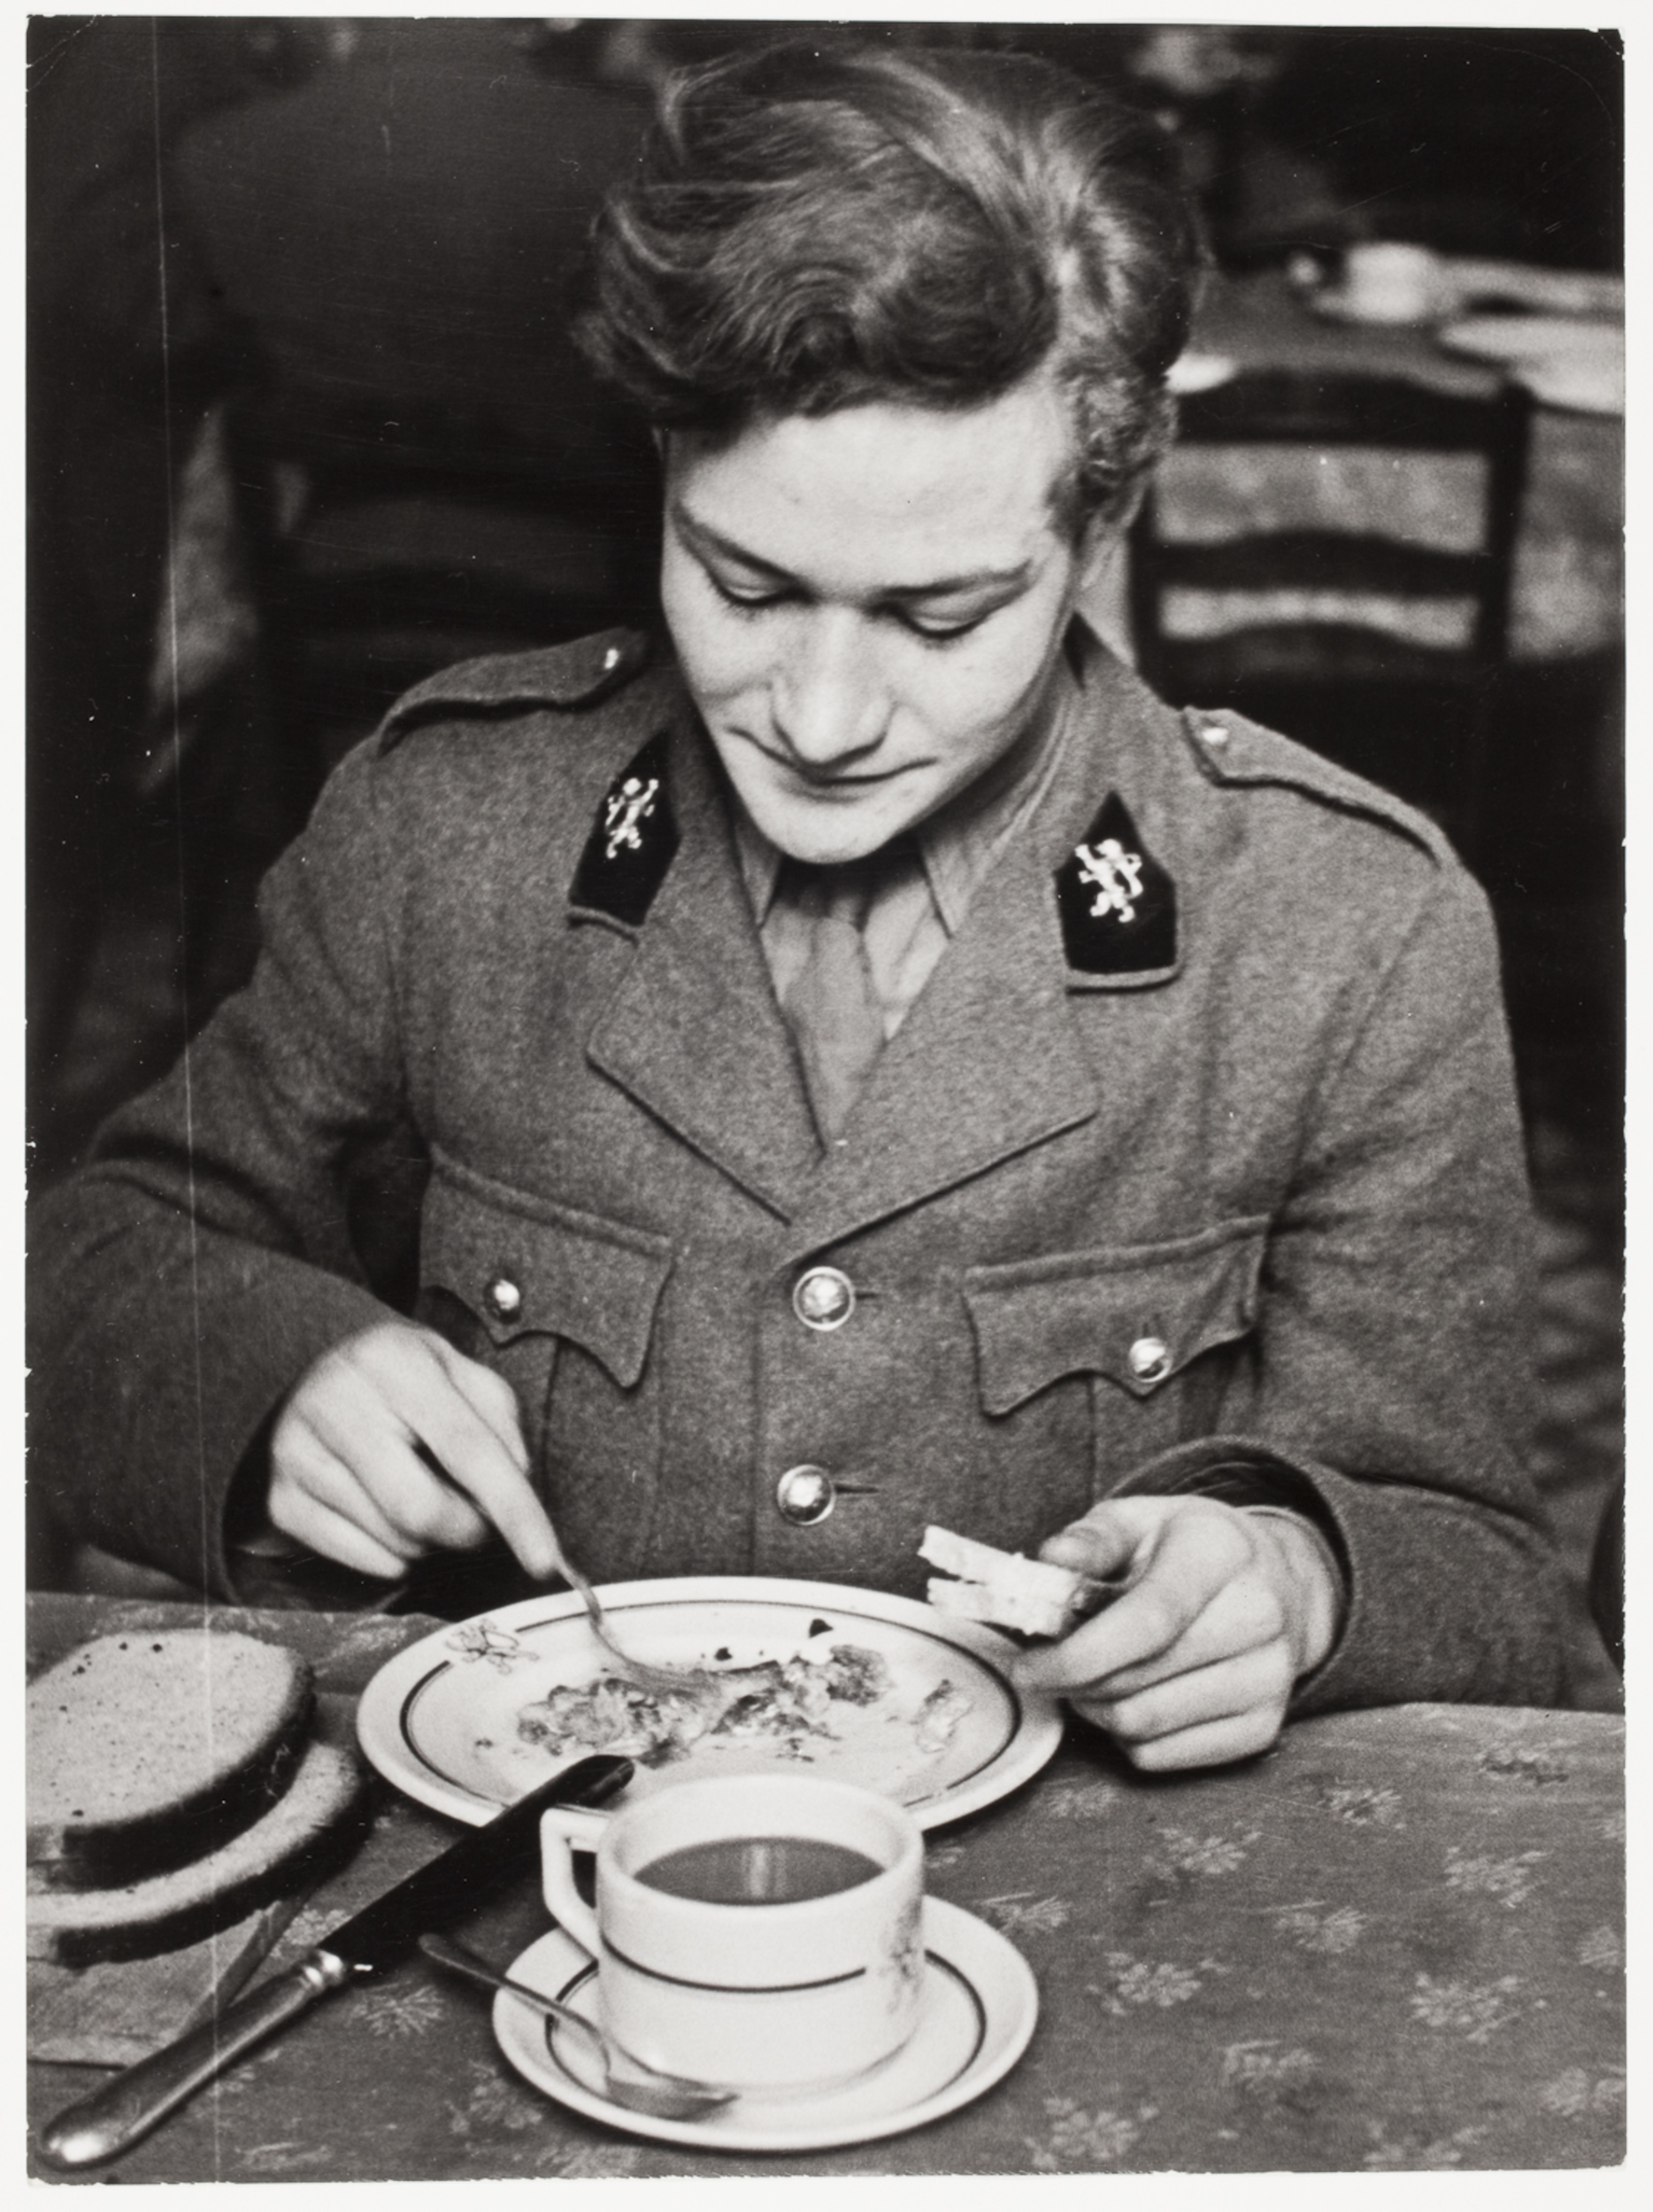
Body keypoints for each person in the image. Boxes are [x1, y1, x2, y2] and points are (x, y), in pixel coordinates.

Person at [29, 42, 1566, 1771]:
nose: (821, 720)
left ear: (1108, 515)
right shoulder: (445, 824)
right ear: (663, 470)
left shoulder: (1347, 929)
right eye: (744, 580)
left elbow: (1497, 1585)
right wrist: (270, 1375)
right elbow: (88, 1277)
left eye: (938, 616)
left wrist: (1297, 1574)